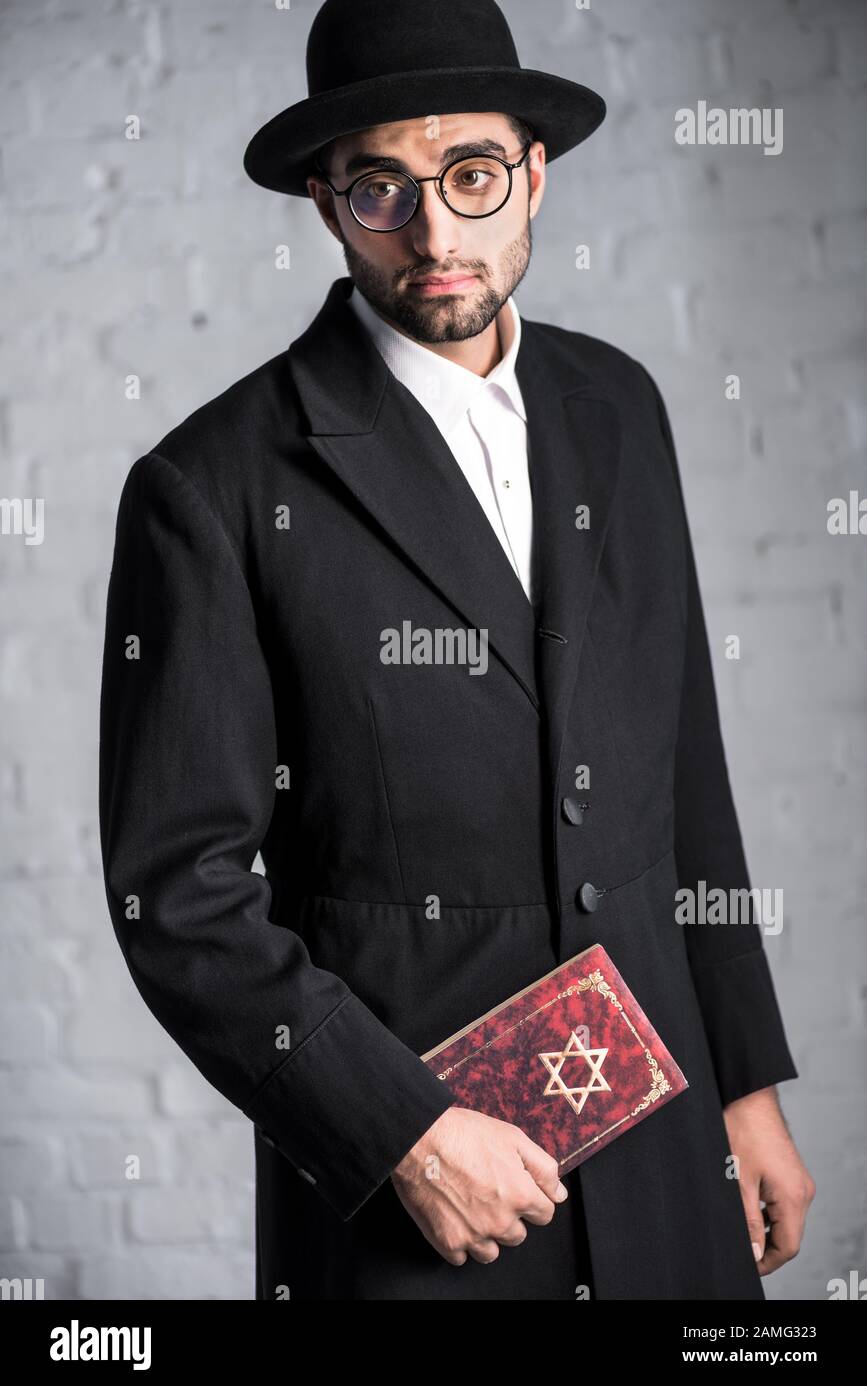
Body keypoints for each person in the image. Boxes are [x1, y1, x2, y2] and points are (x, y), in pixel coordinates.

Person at [99, 0, 814, 1300]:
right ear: (326, 204)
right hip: (426, 1208)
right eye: (381, 187)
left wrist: (747, 1085)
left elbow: (682, 772)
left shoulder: (622, 408)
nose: (435, 232)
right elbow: (180, 892)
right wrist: (403, 1133)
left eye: (472, 175)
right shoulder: (207, 485)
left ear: (534, 173)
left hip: (667, 1147)